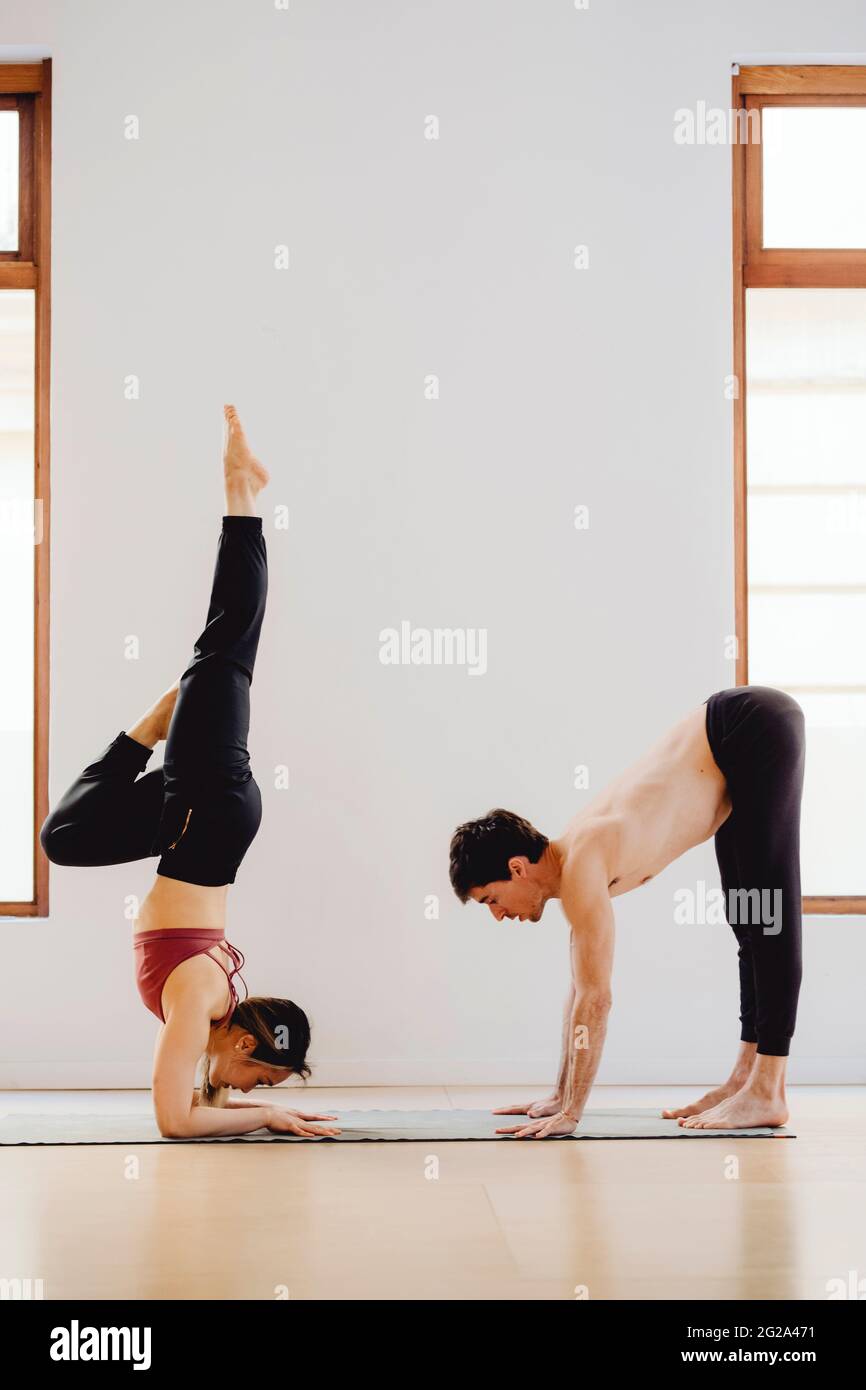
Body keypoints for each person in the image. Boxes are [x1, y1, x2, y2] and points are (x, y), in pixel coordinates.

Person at [40, 406, 340, 1140]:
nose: (243, 1092)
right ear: (243, 1043)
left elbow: (194, 1105)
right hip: (205, 815)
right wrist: (266, 1113)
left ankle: (153, 722)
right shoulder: (201, 999)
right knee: (227, 643)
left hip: (194, 826)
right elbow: (175, 1122)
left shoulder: (207, 1012)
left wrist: (262, 1106)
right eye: (255, 1080)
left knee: (65, 840)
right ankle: (244, 496)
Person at [449, 687, 805, 1138]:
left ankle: (768, 1089)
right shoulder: (575, 865)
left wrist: (572, 1114)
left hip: (747, 724)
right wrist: (561, 1095)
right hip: (733, 739)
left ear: (516, 868)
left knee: (767, 912)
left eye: (490, 900)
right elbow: (580, 993)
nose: (497, 915)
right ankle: (744, 1081)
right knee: (749, 922)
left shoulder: (580, 865)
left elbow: (597, 999)